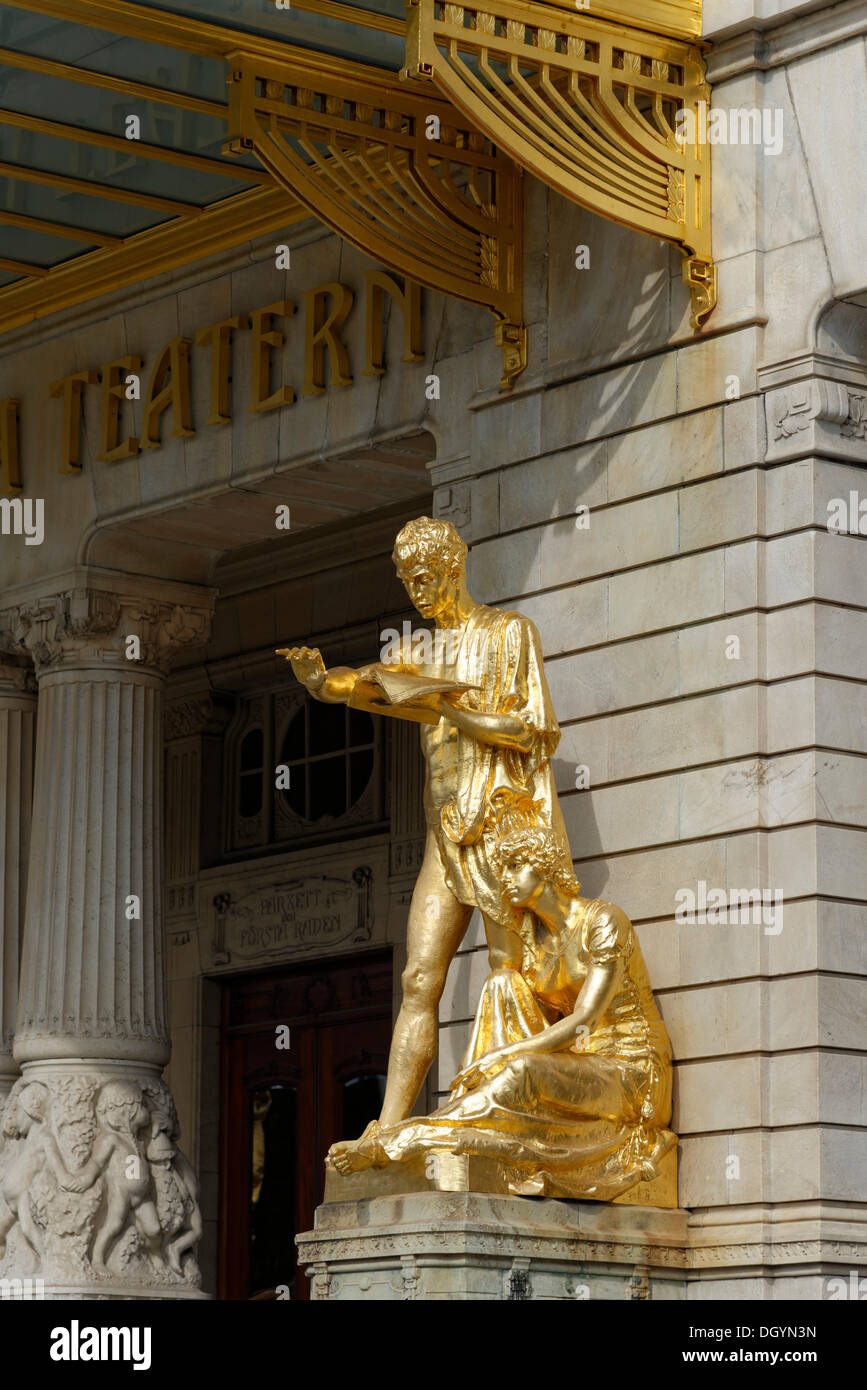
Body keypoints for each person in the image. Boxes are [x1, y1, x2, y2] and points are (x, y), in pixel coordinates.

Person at [280, 516, 570, 1149]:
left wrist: (449, 708)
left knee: (510, 969)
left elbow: (533, 732)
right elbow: (368, 685)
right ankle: (386, 1129)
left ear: (452, 567)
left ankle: (517, 1112)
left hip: (499, 825)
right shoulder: (417, 652)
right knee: (419, 978)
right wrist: (322, 685)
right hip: (445, 834)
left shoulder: (509, 634)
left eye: (424, 577)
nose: (416, 591)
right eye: (408, 582)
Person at [327, 820, 676, 1202]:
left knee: (523, 1069)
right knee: (501, 983)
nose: (505, 879)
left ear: (543, 866)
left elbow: (583, 1021)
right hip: (581, 1064)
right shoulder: (536, 944)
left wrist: (506, 1054)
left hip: (631, 1073)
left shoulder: (604, 920)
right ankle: (472, 1125)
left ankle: (406, 1138)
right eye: (503, 869)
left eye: (514, 866)